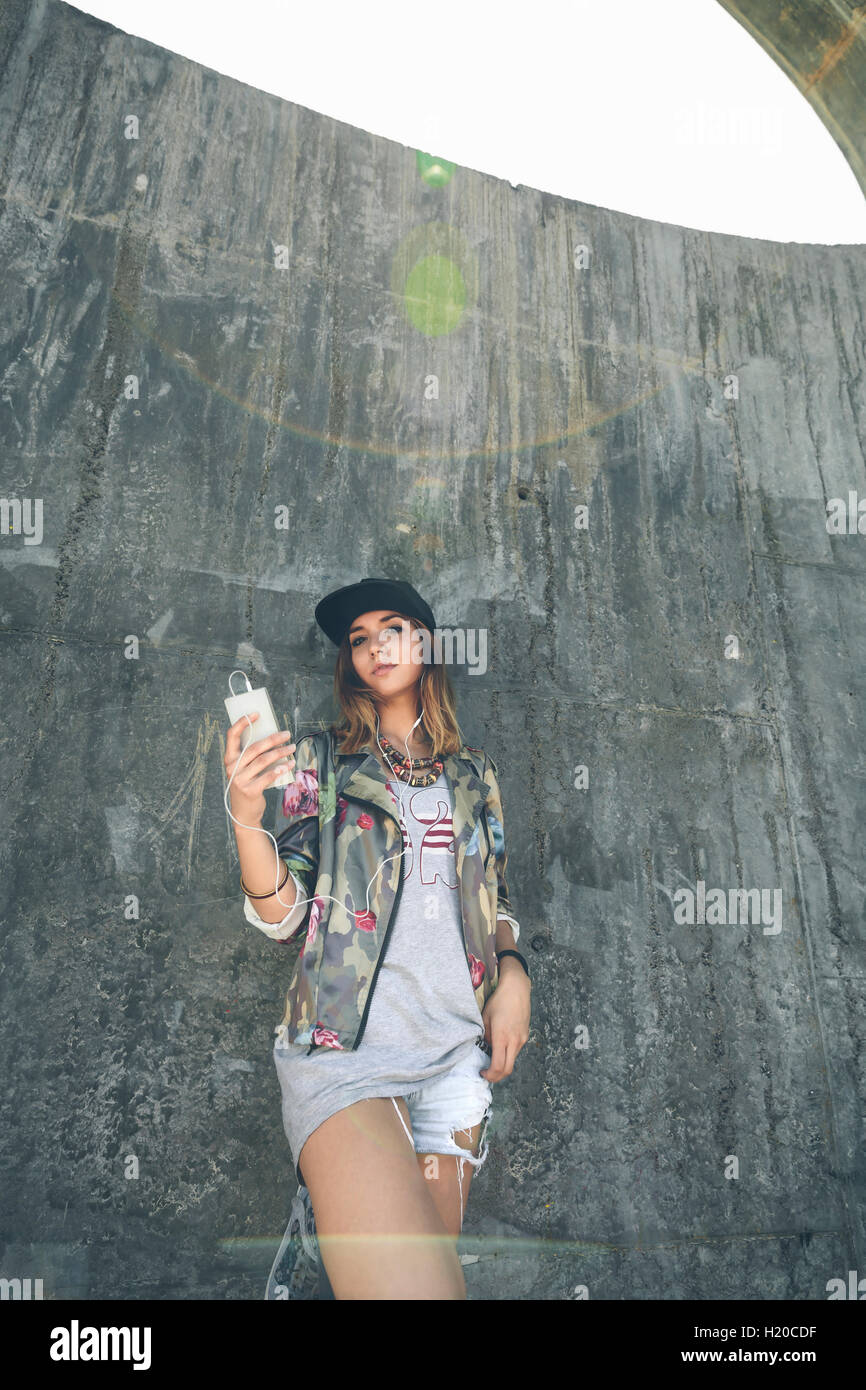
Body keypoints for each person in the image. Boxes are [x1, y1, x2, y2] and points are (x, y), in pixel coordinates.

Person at [224, 577, 531, 1299]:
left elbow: (497, 897)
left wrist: (513, 972)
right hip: (345, 1054)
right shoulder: (318, 761)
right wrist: (245, 816)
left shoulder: (474, 773)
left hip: (458, 1061)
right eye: (358, 639)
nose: (373, 646)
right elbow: (287, 913)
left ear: (427, 644)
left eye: (391, 628)